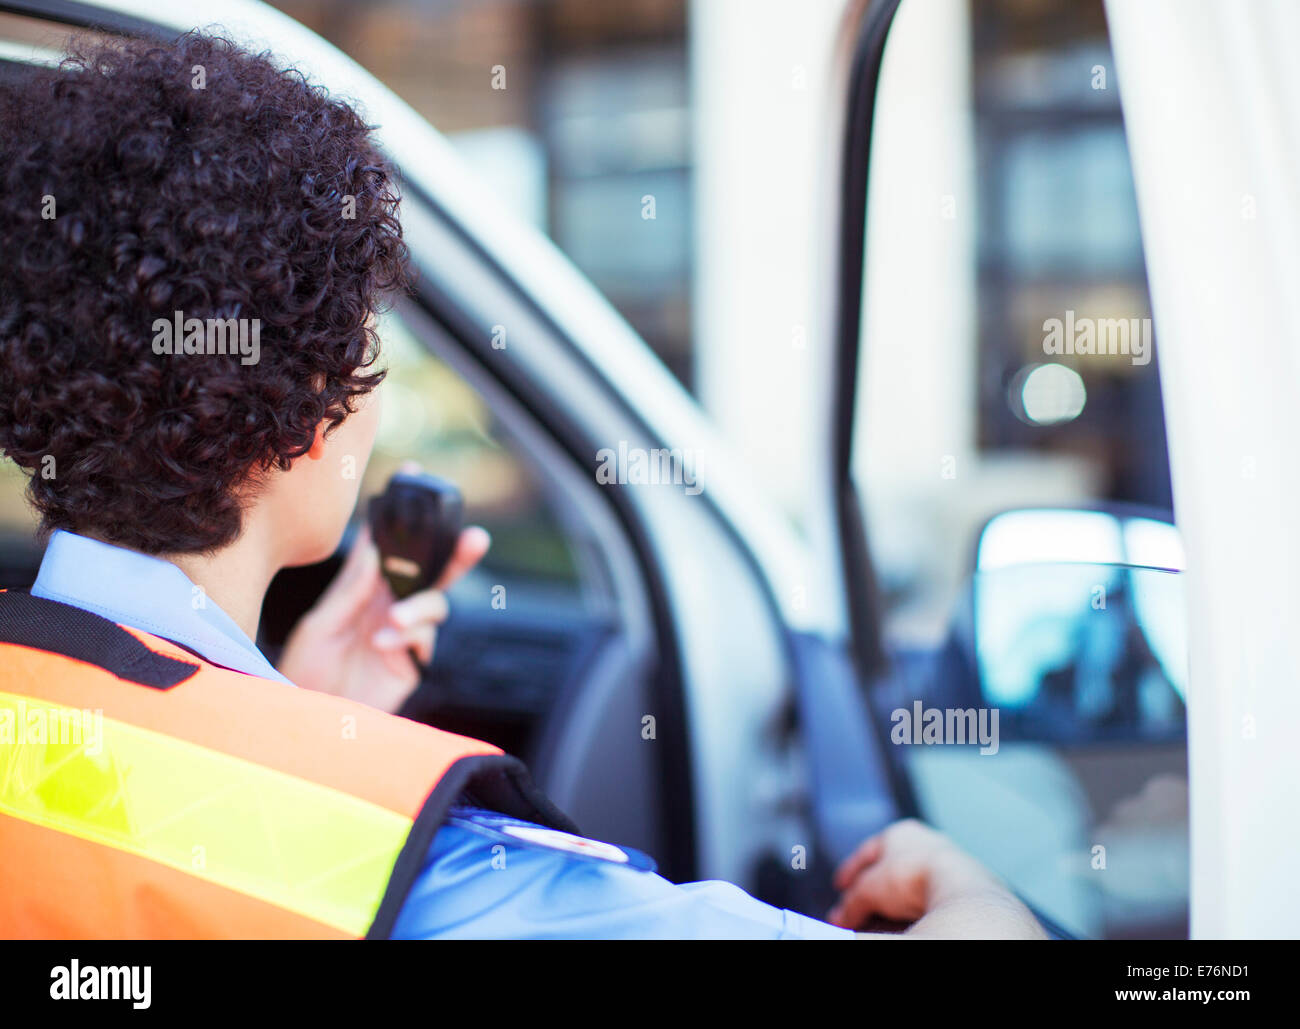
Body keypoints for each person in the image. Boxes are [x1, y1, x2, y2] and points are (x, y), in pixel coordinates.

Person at [0, 30, 1043, 940]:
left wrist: (294, 722)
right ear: (313, 413)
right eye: (367, 351)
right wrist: (976, 892)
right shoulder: (414, 871)